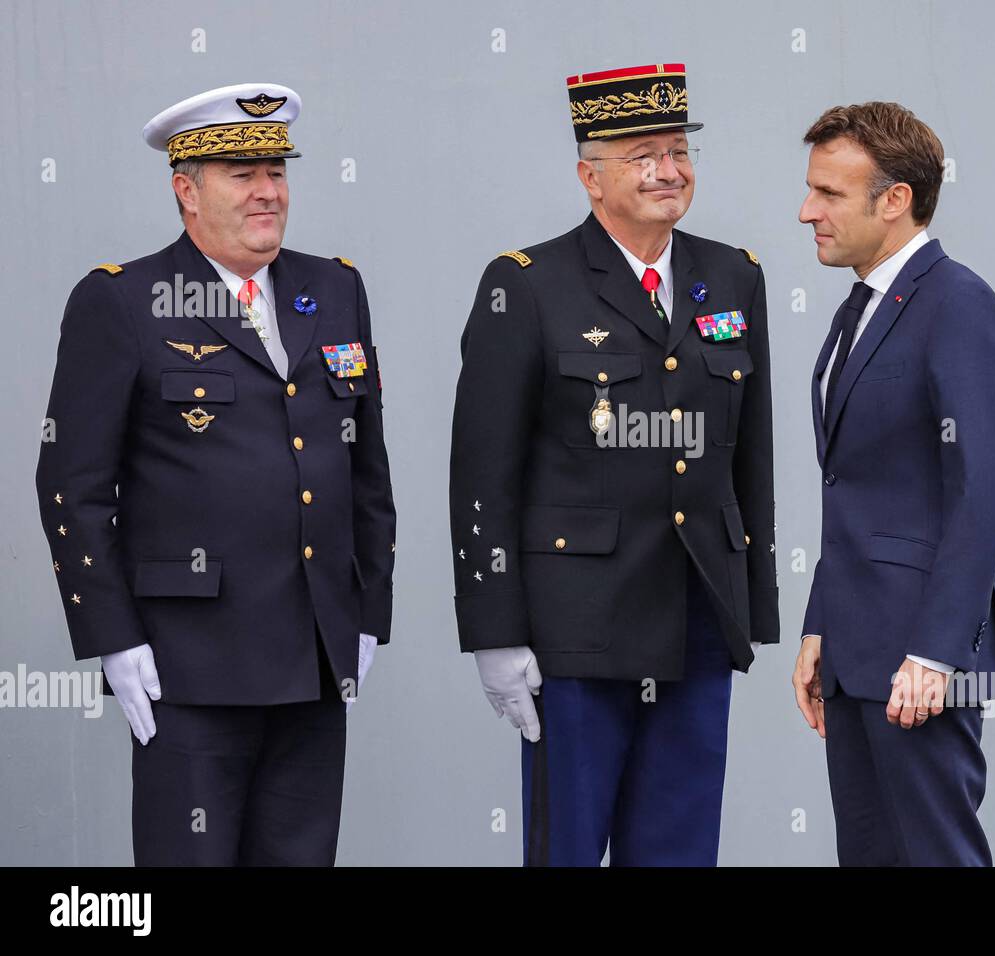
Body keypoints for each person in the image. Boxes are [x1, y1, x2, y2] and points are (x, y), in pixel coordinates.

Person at [34, 82, 397, 865]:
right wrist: (112, 634)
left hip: (314, 648)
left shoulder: (334, 288)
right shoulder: (123, 301)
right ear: (186, 192)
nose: (269, 191)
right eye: (243, 173)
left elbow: (365, 461)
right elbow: (72, 482)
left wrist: (369, 603)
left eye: (277, 171)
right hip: (187, 658)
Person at [450, 63, 778, 866]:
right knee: (565, 848)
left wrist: (754, 600)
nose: (669, 170)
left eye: (677, 150)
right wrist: (494, 631)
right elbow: (481, 473)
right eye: (642, 154)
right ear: (589, 176)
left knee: (678, 849)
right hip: (576, 630)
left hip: (699, 618)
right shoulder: (526, 285)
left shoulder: (733, 274)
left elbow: (751, 454)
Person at [792, 101, 995, 866]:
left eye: (828, 194)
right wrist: (820, 623)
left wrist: (935, 653)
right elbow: (854, 487)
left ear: (895, 201)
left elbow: (980, 493)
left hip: (922, 659)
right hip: (857, 652)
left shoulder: (958, 303)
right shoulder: (857, 309)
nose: (806, 211)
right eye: (810, 190)